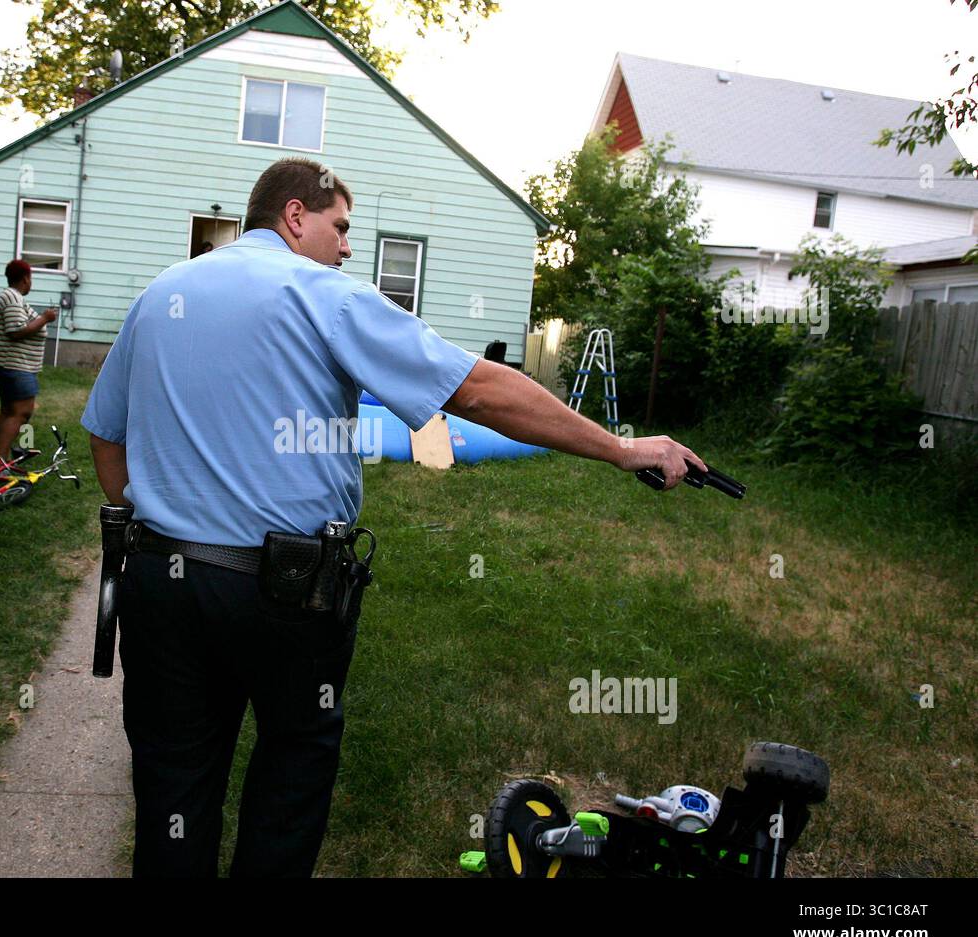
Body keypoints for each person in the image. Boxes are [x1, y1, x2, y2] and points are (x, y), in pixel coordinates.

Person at [81, 156, 705, 878]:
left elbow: (107, 433)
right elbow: (474, 390)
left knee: (172, 794)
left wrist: (159, 525)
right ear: (294, 215)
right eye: (340, 226)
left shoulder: (163, 293)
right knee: (288, 783)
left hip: (162, 586)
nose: (346, 246)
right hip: (286, 595)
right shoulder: (324, 294)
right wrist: (622, 448)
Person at [0, 259, 57, 463]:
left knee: (8, 411)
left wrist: (41, 318)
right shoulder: (12, 297)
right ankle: (1, 461)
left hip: (11, 365)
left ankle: (2, 455)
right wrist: (45, 318)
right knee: (20, 413)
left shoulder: (12, 298)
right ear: (25, 278)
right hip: (15, 365)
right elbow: (16, 331)